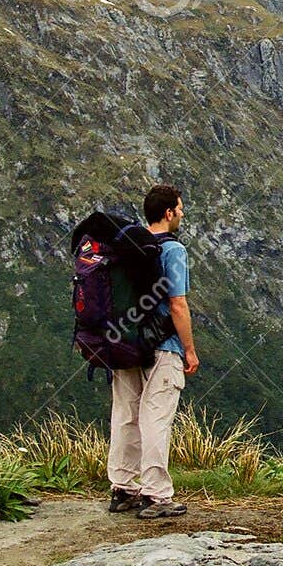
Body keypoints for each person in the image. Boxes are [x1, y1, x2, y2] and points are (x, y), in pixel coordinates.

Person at [106, 184, 200, 519]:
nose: (182, 213)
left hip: (123, 340)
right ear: (168, 212)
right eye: (180, 207)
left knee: (125, 415)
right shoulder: (172, 250)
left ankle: (122, 488)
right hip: (161, 346)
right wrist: (189, 350)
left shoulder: (127, 245)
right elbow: (177, 304)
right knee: (156, 417)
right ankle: (156, 495)